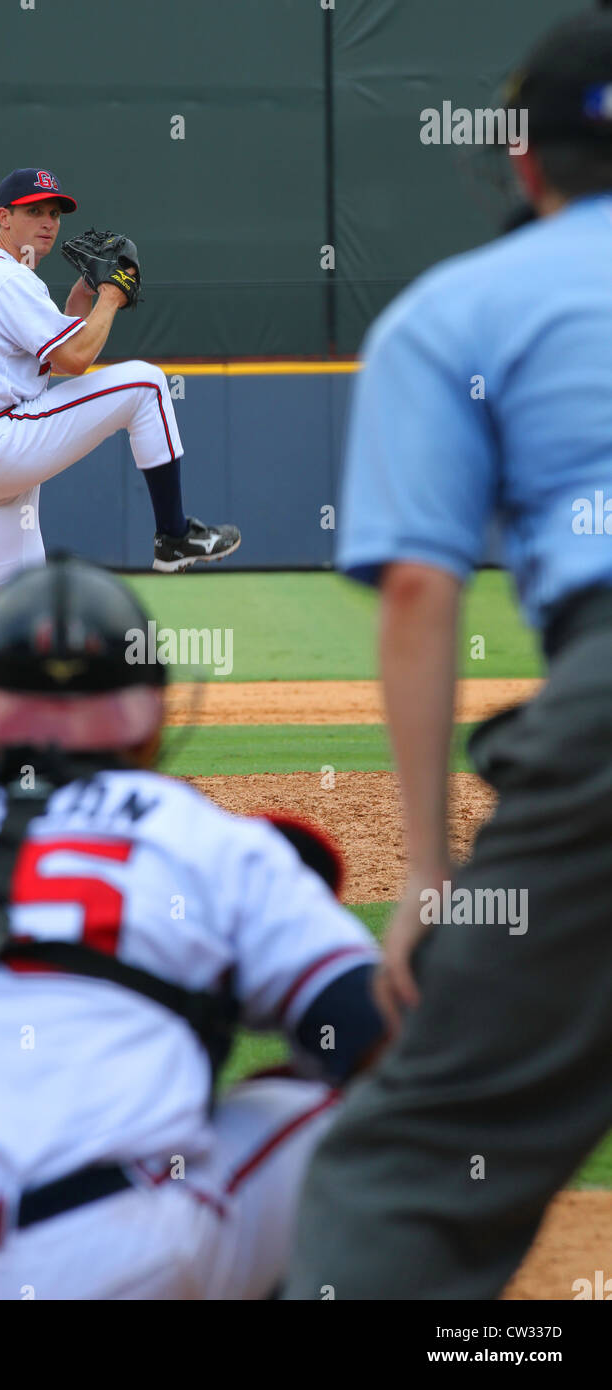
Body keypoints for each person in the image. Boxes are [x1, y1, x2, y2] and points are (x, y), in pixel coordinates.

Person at [0, 556, 384, 1300]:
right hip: (119, 1265)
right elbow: (385, 1033)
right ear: (149, 722)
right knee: (344, 1105)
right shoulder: (209, 837)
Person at [284, 8, 612, 1301]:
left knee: (410, 1156)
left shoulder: (454, 309)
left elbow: (421, 583)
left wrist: (428, 873)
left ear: (521, 164)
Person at [0, 167, 240, 588]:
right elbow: (75, 359)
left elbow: (48, 359)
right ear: (4, 217)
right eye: (34, 211)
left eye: (55, 213)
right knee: (146, 385)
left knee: (24, 608)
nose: (48, 223)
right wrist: (110, 296)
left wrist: (81, 300)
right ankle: (175, 536)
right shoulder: (9, 278)